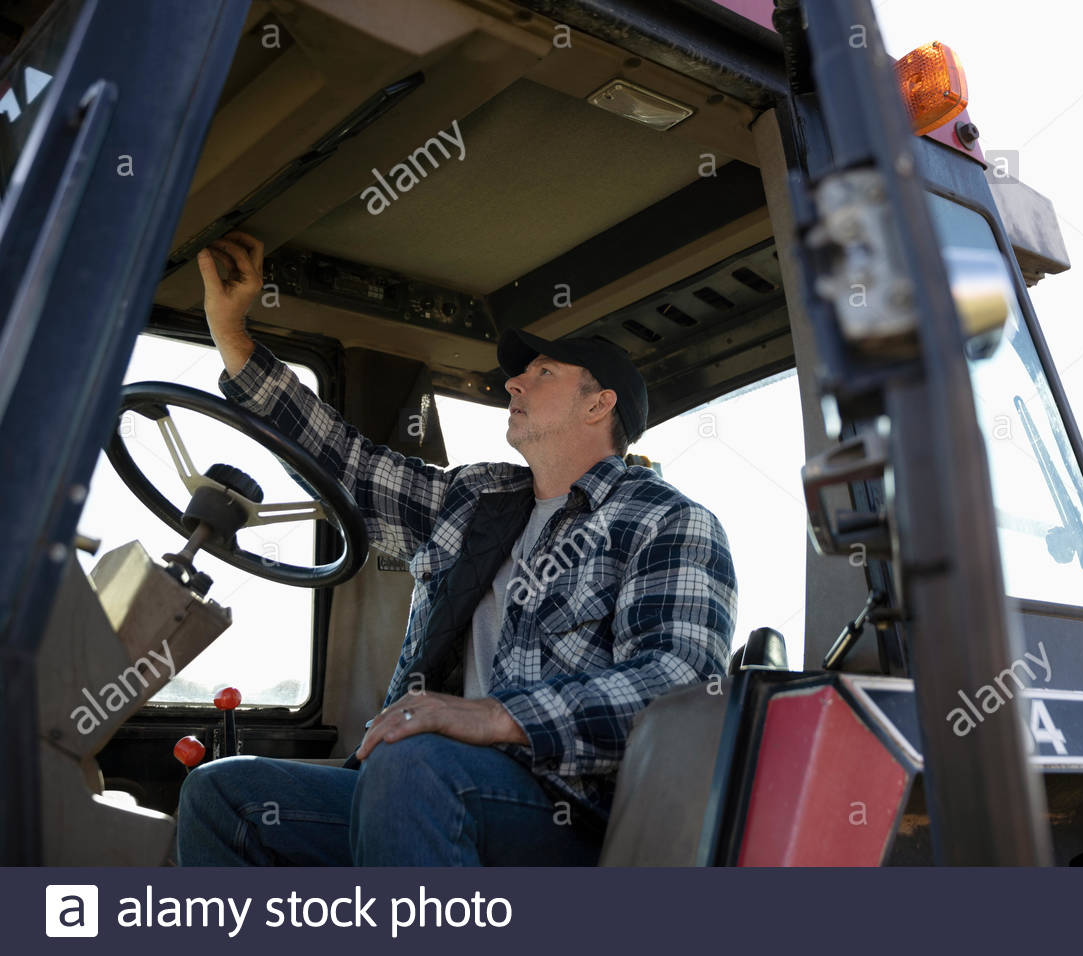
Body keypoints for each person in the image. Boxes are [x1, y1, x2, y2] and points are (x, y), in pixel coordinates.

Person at [175, 231, 738, 866]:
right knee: (223, 793)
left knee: (414, 762)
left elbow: (679, 688)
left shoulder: (667, 521)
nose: (513, 385)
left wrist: (499, 718)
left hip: (571, 817)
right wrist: (232, 335)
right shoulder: (479, 499)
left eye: (542, 372)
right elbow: (347, 467)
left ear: (599, 405)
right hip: (424, 781)